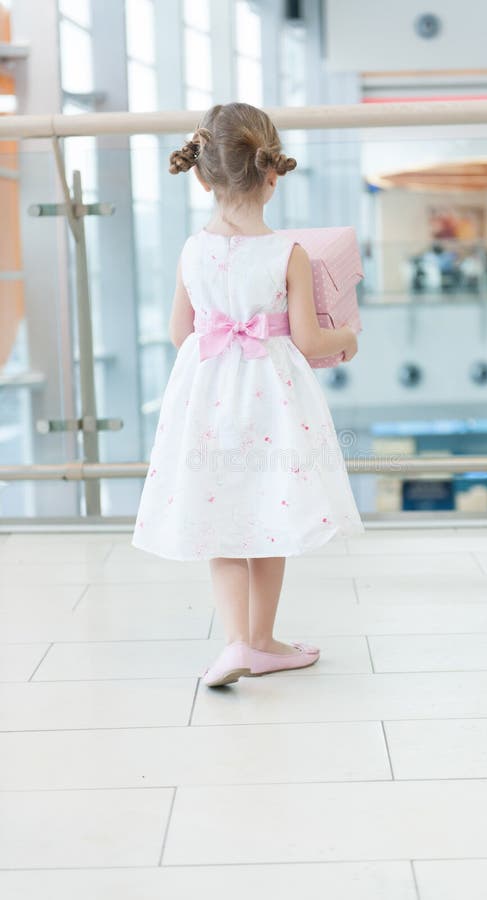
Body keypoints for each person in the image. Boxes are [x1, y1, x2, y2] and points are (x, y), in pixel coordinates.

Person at [130, 102, 365, 687]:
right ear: (273, 173)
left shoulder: (192, 250)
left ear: (203, 175)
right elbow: (310, 340)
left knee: (221, 513)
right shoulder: (290, 254)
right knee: (270, 509)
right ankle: (262, 641)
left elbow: (180, 333)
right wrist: (350, 339)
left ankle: (236, 642)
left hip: (207, 395)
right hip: (271, 398)